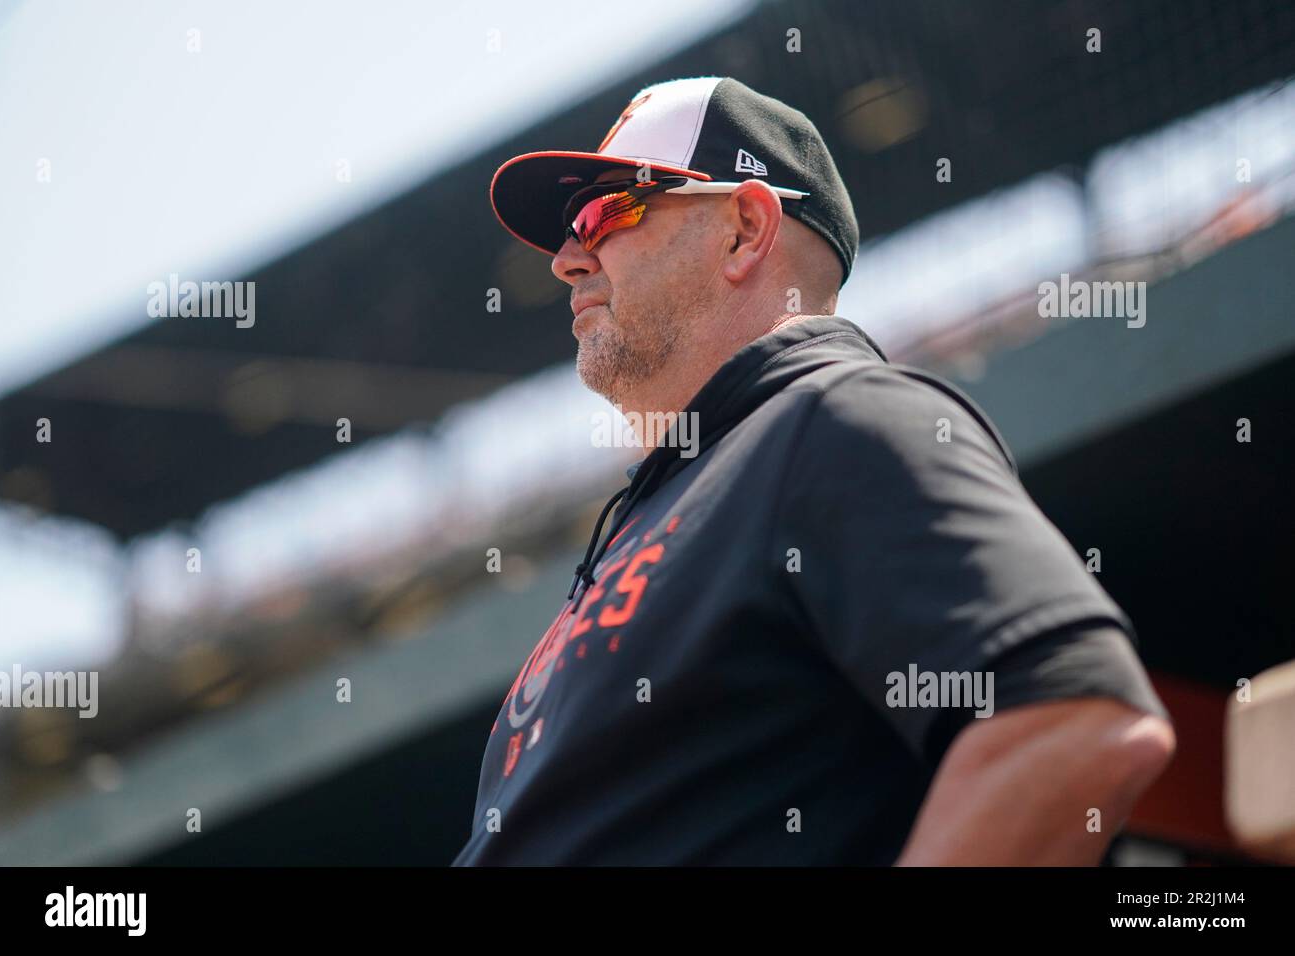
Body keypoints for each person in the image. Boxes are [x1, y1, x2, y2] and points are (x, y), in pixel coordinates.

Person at [453, 76, 1174, 865]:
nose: (565, 259)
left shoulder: (836, 418)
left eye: (606, 212)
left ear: (744, 229)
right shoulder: (661, 505)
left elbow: (1073, 721)